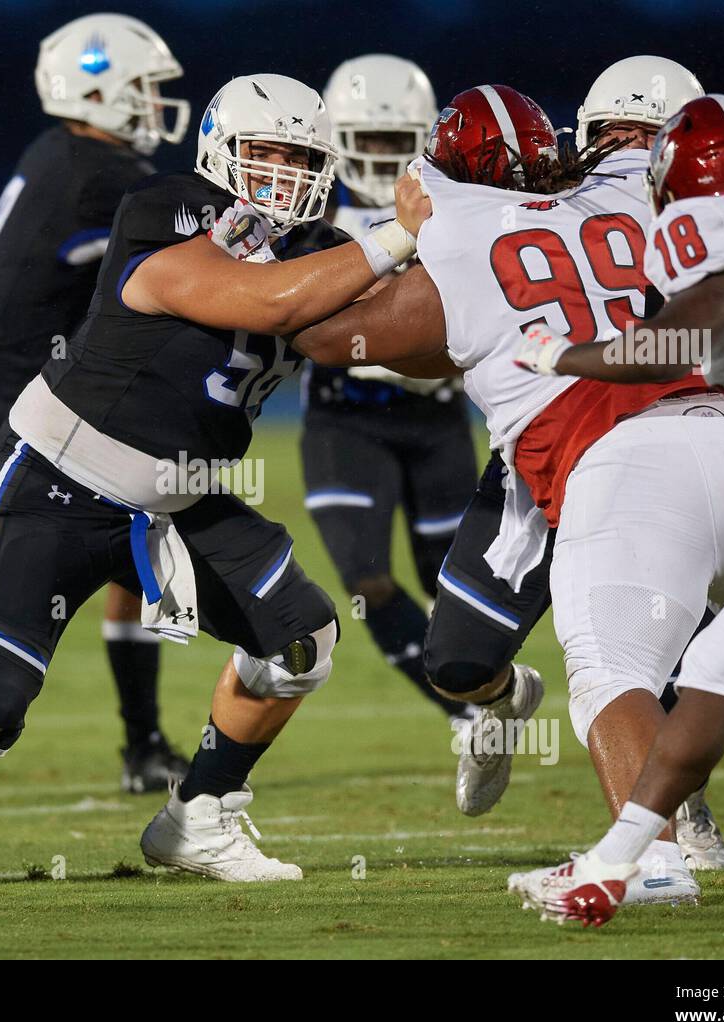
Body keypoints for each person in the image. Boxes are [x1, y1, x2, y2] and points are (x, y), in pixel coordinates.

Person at [0, 73, 430, 891]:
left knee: (299, 639)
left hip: (178, 495)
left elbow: (377, 336)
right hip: (59, 479)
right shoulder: (165, 210)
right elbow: (258, 302)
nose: (284, 171)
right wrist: (394, 242)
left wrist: (480, 298)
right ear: (222, 148)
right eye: (265, 151)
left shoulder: (316, 246)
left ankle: (200, 818)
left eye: (300, 156)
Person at [292, 82, 724, 906]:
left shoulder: (459, 231)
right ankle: (672, 792)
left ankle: (653, 854)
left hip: (611, 464)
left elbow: (333, 337)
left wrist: (368, 249)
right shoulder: (636, 190)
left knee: (613, 671)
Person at [507, 95, 724, 926]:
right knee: (707, 677)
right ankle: (620, 863)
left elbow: (674, 344)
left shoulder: (714, 229)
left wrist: (557, 352)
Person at [0, 14, 192, 807]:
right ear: (96, 88)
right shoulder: (91, 171)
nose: (154, 103)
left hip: (46, 401)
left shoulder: (80, 159)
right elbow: (176, 259)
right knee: (6, 572)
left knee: (132, 551)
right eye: (142, 88)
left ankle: (142, 744)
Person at [301, 53, 477, 722]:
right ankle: (466, 716)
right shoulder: (309, 213)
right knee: (365, 579)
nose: (376, 154)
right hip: (345, 417)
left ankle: (480, 689)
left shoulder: (454, 209)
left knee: (456, 590)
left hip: (435, 416)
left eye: (390, 139)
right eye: (365, 138)